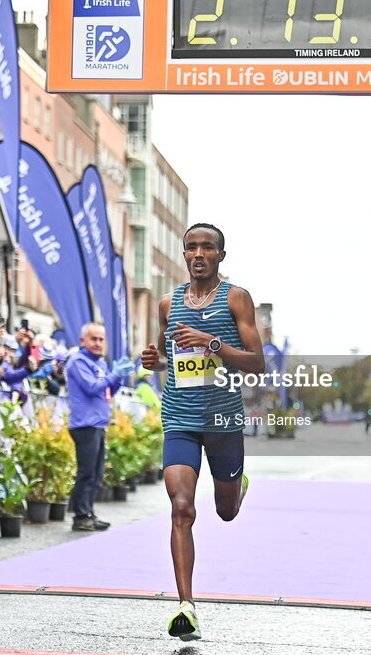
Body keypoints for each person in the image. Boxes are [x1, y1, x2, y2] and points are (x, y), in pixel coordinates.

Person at [141, 223, 264, 642]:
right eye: (191, 247)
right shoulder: (167, 302)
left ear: (220, 256)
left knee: (225, 511)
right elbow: (164, 355)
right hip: (180, 418)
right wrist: (152, 359)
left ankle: (237, 485)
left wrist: (212, 343)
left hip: (224, 421)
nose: (198, 254)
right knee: (181, 507)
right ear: (184, 254)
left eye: (207, 248)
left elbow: (256, 363)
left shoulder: (237, 298)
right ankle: (186, 607)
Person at [66, 322, 134, 532]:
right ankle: (80, 516)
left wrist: (118, 378)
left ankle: (88, 512)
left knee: (96, 472)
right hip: (84, 424)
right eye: (93, 339)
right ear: (82, 341)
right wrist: (113, 375)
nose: (98, 343)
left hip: (97, 423)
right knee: (86, 472)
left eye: (101, 339)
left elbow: (106, 393)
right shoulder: (78, 361)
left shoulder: (100, 364)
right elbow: (91, 387)